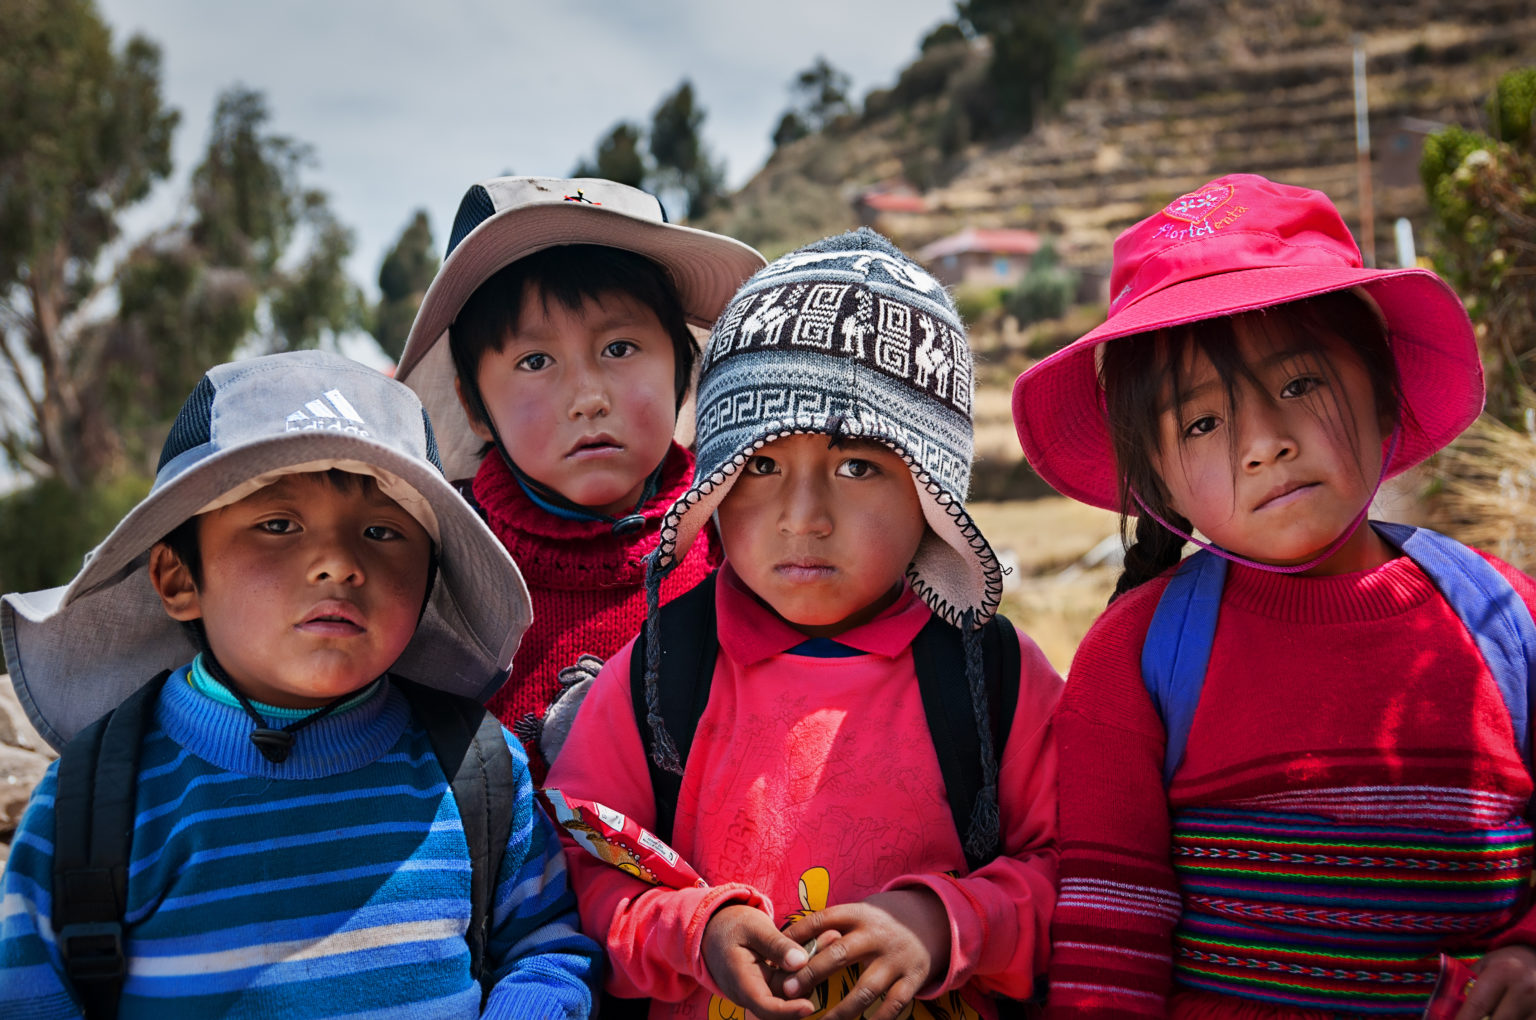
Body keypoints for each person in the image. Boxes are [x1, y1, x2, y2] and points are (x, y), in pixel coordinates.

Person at [1012, 173, 1536, 1019]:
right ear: (1161, 482)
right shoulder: (1135, 658)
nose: (1265, 444)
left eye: (1298, 386)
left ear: (1379, 391)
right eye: (1203, 423)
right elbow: (1112, 942)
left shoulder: (1503, 620)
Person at [547, 229, 1062, 1020]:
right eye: (760, 465)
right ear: (714, 489)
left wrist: (946, 923)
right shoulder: (657, 675)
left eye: (858, 466)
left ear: (931, 497)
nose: (804, 518)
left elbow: (1077, 868)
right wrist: (697, 930)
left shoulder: (995, 677)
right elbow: (585, 874)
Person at [0, 351, 600, 1018]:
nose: (339, 563)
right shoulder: (96, 805)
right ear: (178, 578)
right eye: (279, 525)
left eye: (382, 531)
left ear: (428, 582)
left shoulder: (475, 770)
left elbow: (546, 947)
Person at [393, 175, 766, 782]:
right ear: (473, 406)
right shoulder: (439, 580)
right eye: (535, 362)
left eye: (620, 348)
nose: (588, 398)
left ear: (684, 368)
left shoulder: (741, 543)